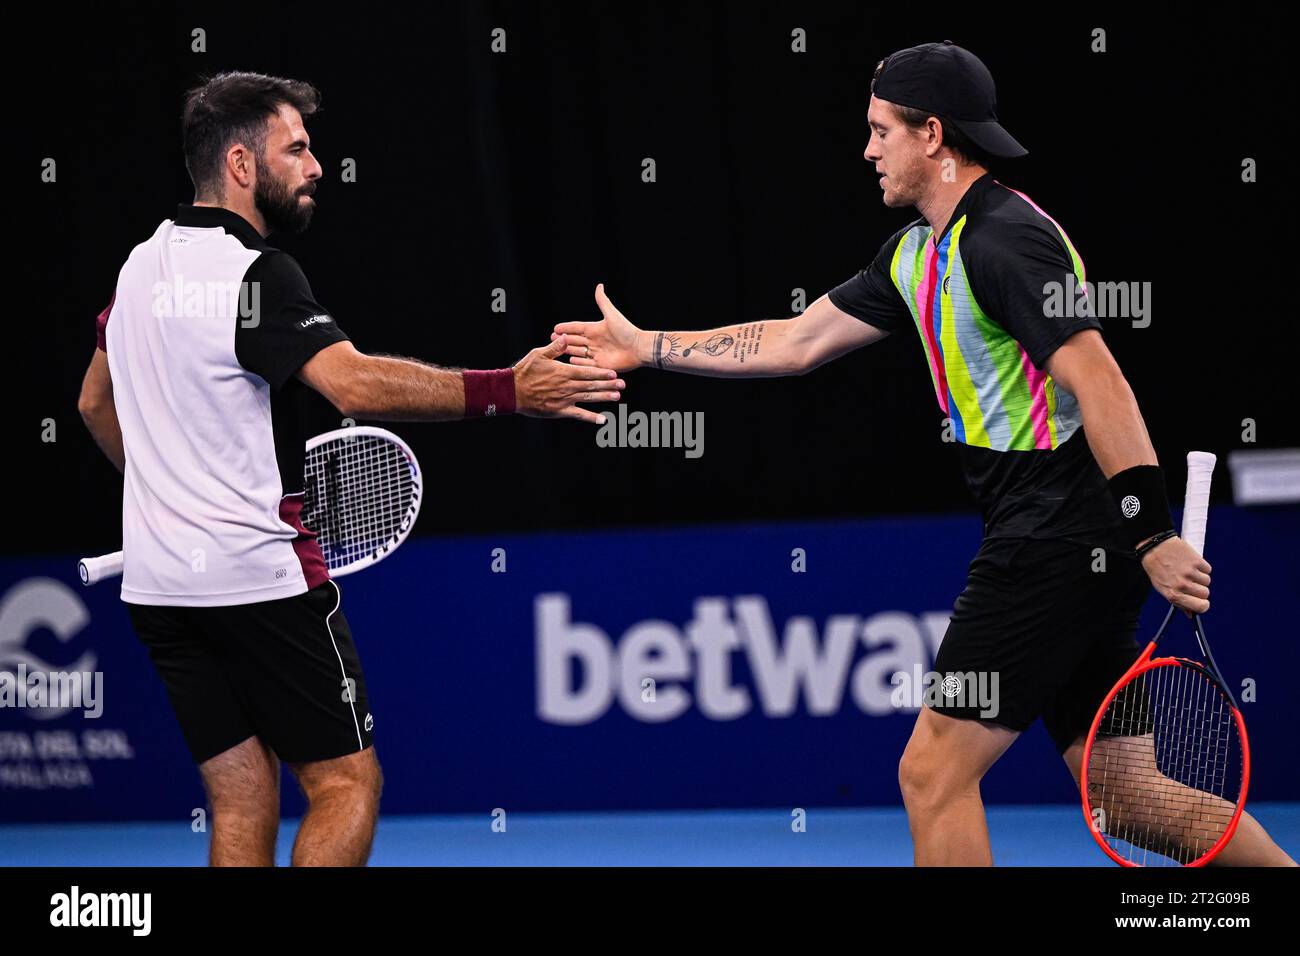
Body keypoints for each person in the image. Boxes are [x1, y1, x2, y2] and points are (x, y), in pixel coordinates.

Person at [552, 42, 1295, 866]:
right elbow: (795, 341)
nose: (868, 149)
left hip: (1054, 532)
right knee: (1129, 796)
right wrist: (645, 346)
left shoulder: (1007, 243)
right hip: (1060, 533)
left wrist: (1150, 534)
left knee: (932, 773)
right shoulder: (916, 255)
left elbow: (1103, 383)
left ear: (932, 134)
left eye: (880, 131)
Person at [77, 71, 623, 866]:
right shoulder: (254, 275)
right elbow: (353, 383)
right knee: (343, 785)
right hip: (257, 580)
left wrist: (168, 495)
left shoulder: (135, 270)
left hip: (161, 588)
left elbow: (94, 403)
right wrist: (511, 390)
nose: (316, 165)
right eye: (295, 148)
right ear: (239, 163)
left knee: (238, 793)